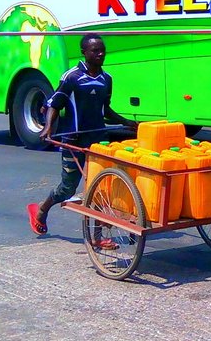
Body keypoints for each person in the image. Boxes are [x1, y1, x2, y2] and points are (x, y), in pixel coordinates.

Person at [27, 34, 137, 238]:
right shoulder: (71, 77)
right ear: (84, 52)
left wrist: (127, 123)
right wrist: (47, 128)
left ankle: (97, 238)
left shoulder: (107, 79)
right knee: (68, 189)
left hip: (98, 139)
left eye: (102, 50)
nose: (101, 54)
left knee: (101, 186)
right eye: (95, 51)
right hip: (74, 140)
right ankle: (42, 209)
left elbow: (105, 111)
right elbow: (54, 105)